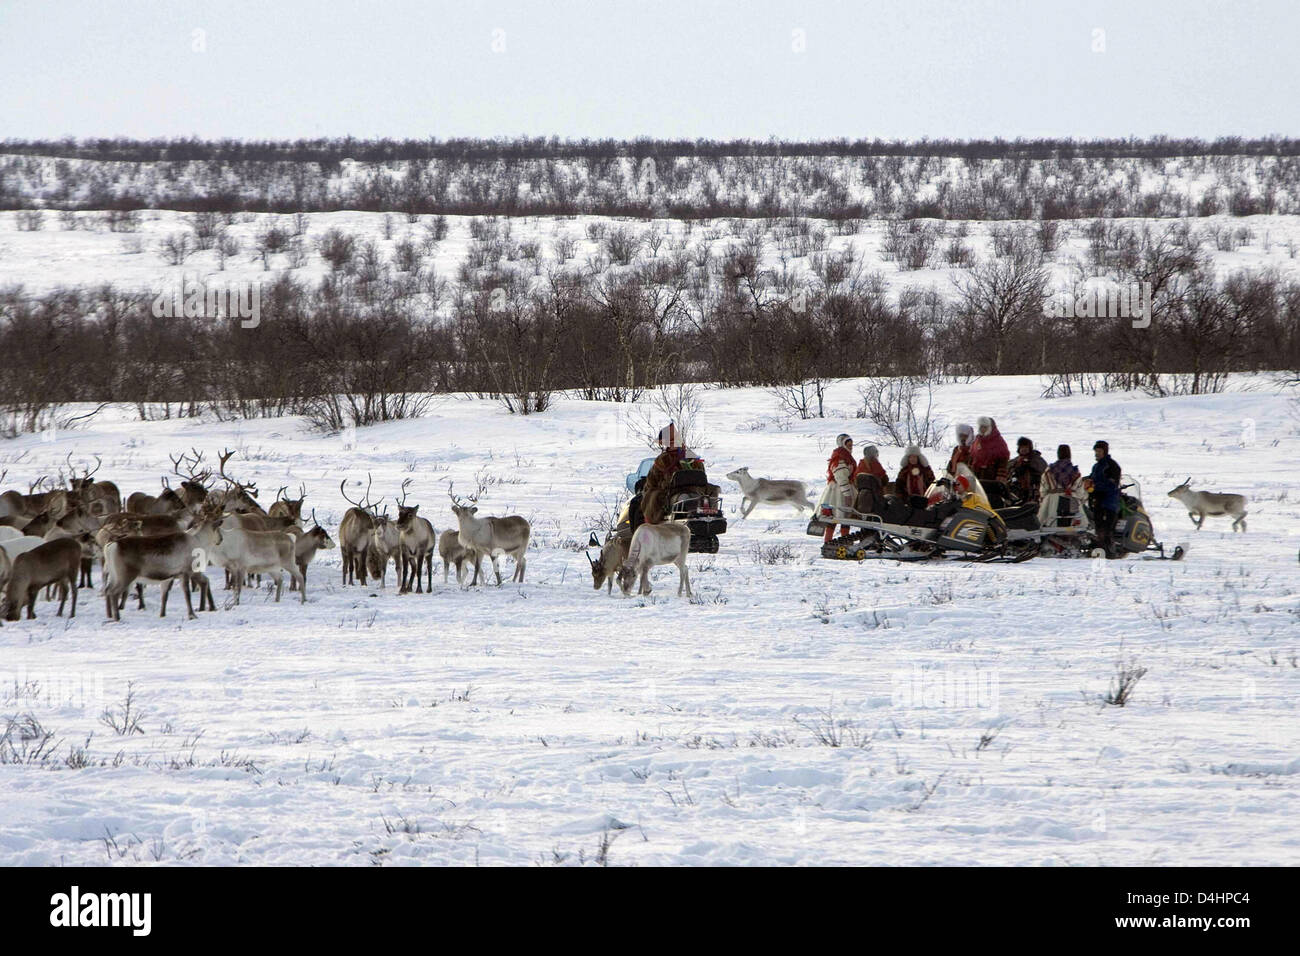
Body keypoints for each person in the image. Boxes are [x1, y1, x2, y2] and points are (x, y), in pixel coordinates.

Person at [1085, 440, 1122, 555]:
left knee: (1107, 528)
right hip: (1097, 501)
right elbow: (1093, 479)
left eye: (1099, 451)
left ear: (1105, 451)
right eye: (1096, 451)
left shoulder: (1111, 466)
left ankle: (1109, 551)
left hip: (1108, 501)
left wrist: (1095, 486)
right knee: (1098, 527)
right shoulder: (1096, 466)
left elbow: (1112, 484)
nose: (1097, 454)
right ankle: (1101, 549)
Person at [820, 433, 856, 544]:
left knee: (842, 517)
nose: (850, 446)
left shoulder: (846, 456)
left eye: (851, 444)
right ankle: (831, 542)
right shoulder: (840, 457)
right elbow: (841, 477)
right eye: (848, 444)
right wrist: (847, 494)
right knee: (838, 516)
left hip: (842, 489)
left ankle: (843, 541)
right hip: (839, 492)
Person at [1038, 444, 1083, 528]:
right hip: (1071, 499)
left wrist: (1042, 500)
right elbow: (1080, 491)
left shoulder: (1049, 471)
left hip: (1052, 500)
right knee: (1074, 526)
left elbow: (1043, 489)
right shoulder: (1075, 471)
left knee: (1050, 526)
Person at [970, 416, 1011, 506]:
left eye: (985, 427)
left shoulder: (998, 441)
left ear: (990, 428)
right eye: (981, 427)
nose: (983, 429)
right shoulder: (977, 440)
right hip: (978, 474)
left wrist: (1000, 476)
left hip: (992, 476)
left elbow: (1003, 460)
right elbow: (973, 456)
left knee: (991, 498)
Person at [1008, 437, 1048, 504]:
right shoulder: (1015, 461)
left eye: (1026, 447)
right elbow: (1008, 470)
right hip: (1017, 491)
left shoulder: (1037, 460)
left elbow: (1044, 471)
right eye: (1022, 447)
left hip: (1034, 490)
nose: (1024, 449)